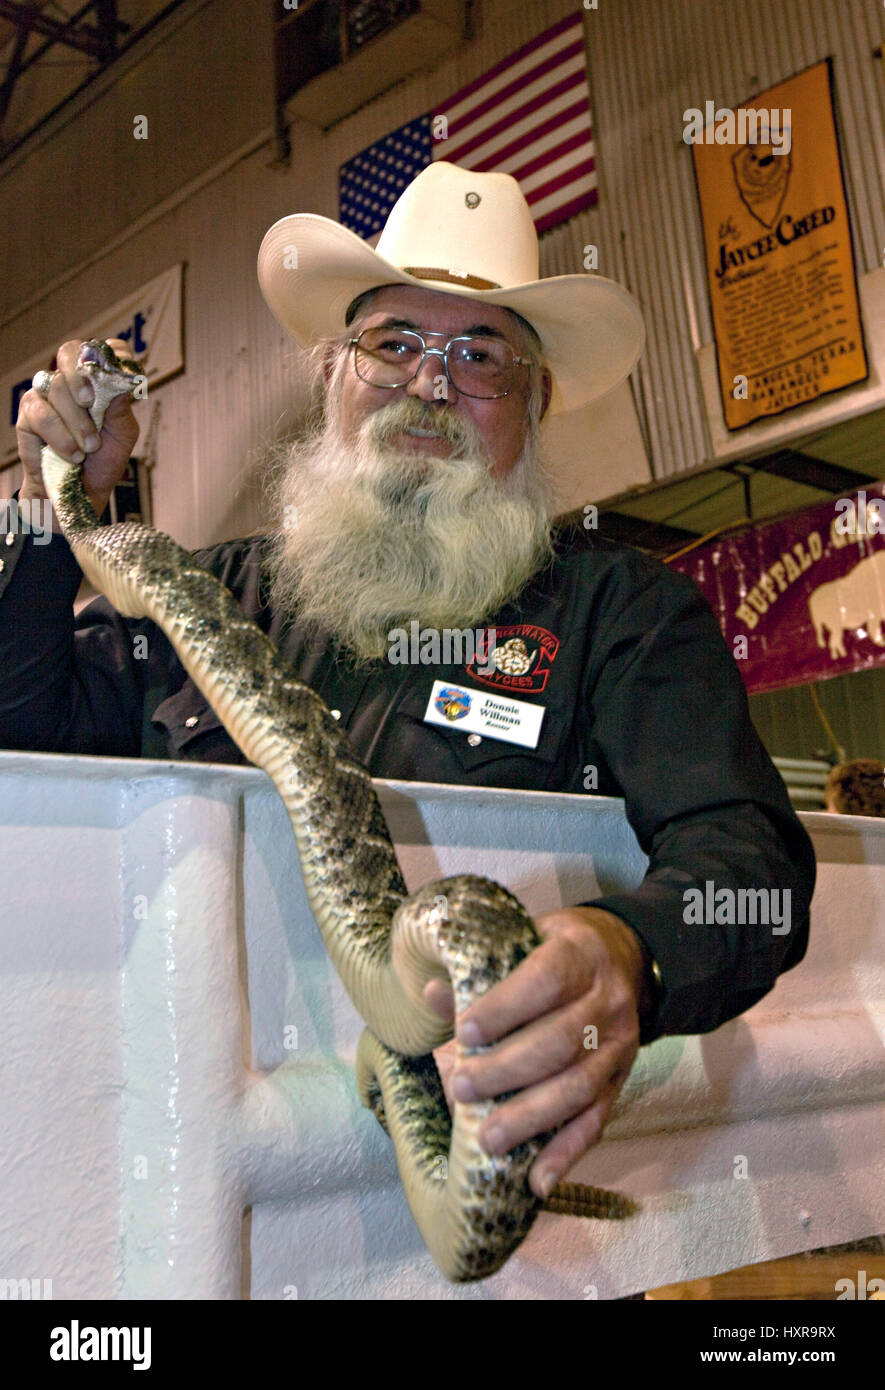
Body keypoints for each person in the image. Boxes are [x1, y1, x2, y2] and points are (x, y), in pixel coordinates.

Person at [2, 161, 815, 1203]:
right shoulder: (205, 596)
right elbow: (23, 745)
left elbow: (747, 861)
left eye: (482, 356)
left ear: (537, 402)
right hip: (193, 1190)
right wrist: (43, 503)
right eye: (393, 346)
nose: (431, 385)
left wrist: (631, 952)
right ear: (329, 374)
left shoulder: (624, 616)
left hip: (498, 1215)